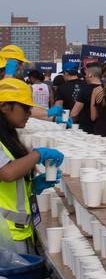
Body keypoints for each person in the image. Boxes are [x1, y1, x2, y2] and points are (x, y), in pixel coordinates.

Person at [0, 78, 63, 252]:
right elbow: (7, 173)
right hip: (5, 235)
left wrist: (32, 186)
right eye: (25, 108)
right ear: (4, 106)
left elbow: (11, 183)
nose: (29, 113)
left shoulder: (8, 136)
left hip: (16, 230)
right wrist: (38, 154)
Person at [71, 62, 102, 134]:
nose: (85, 76)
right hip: (103, 128)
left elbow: (74, 113)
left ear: (90, 75)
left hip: (87, 129)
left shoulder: (85, 90)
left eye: (86, 74)